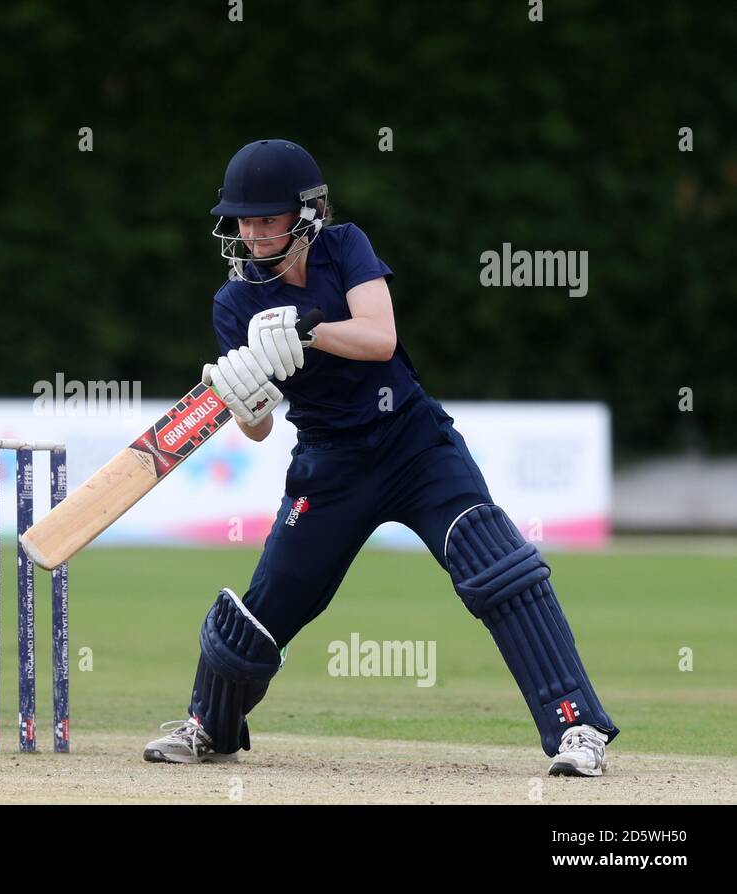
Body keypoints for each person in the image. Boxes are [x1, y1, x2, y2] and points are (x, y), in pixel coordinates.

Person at [142, 140, 617, 776]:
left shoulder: (345, 248)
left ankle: (576, 728)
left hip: (414, 444)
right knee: (269, 603)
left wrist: (308, 327)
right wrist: (243, 398)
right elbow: (257, 429)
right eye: (242, 220)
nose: (251, 233)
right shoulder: (234, 304)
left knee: (497, 567)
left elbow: (380, 336)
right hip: (328, 465)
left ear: (306, 213)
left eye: (265, 218)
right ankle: (211, 726)